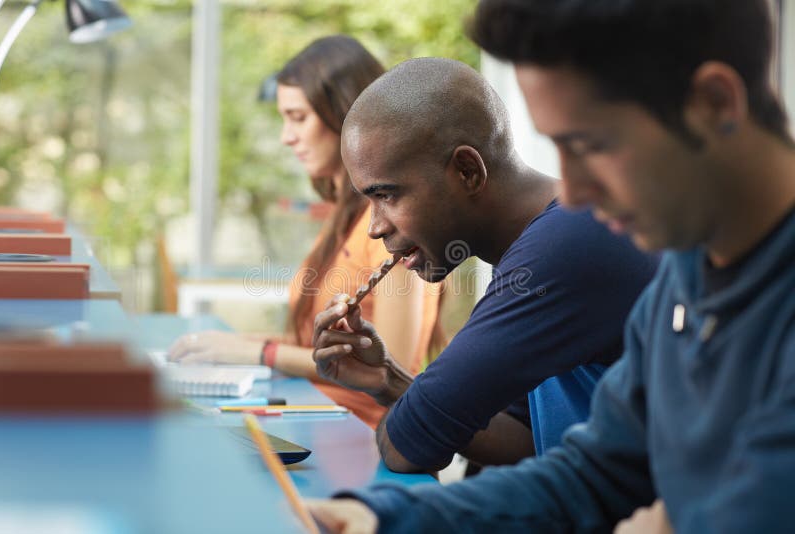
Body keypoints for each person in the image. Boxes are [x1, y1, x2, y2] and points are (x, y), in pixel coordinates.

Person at [306, 0, 795, 531]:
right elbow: (592, 475)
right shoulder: (687, 277)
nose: (576, 192)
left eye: (590, 145)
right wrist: (379, 515)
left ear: (714, 105)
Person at [310, 56, 657, 473]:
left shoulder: (562, 248)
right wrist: (388, 379)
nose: (374, 227)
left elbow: (408, 448)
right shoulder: (548, 238)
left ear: (467, 171)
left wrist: (413, 416)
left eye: (387, 195)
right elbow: (523, 438)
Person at [168, 35, 442, 429]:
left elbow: (392, 366)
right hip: (320, 418)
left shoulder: (389, 225)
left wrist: (261, 351)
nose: (286, 136)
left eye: (298, 117)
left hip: (358, 435)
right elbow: (319, 342)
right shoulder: (342, 218)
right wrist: (235, 346)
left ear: (345, 116)